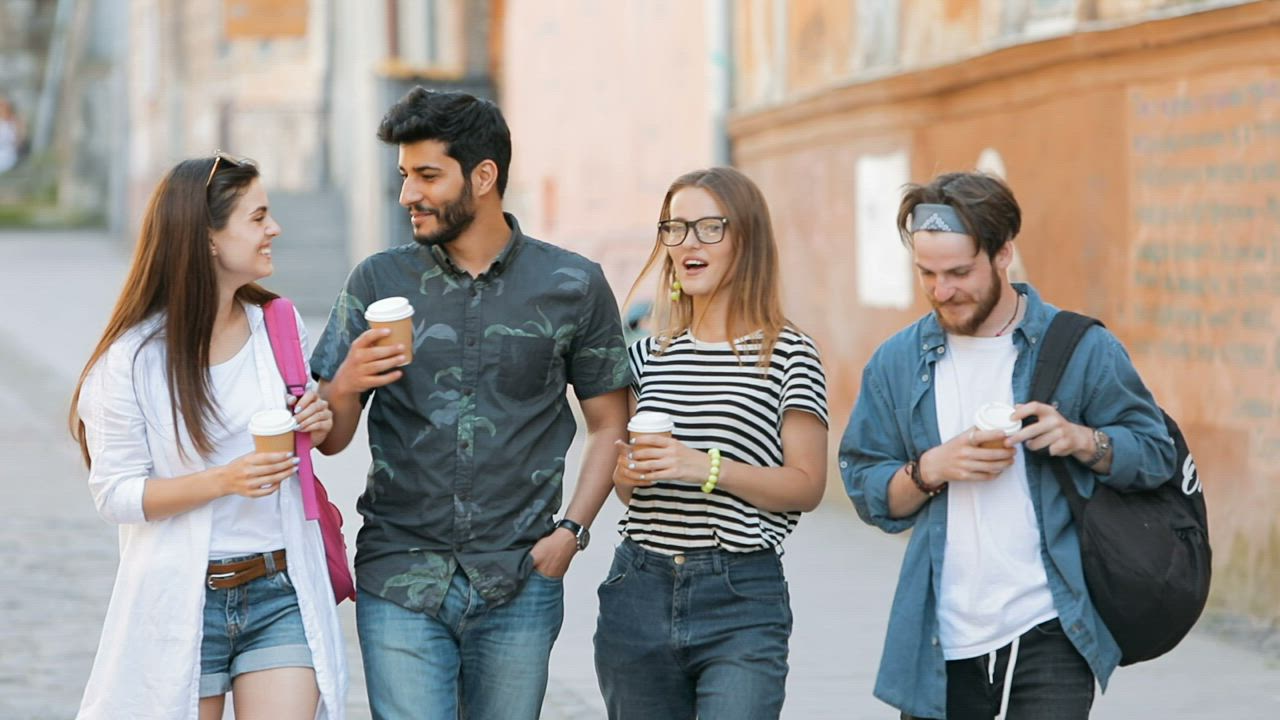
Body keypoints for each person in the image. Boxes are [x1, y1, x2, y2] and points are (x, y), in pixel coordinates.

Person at [310, 87, 631, 720]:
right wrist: (344, 384)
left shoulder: (572, 284)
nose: (407, 195)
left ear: (483, 176)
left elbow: (608, 423)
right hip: (399, 574)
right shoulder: (378, 281)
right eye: (404, 176)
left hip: (520, 576)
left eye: (428, 175)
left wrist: (571, 533)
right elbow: (330, 437)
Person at [839, 171, 1175, 720]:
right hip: (939, 636)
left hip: (1051, 624)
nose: (942, 290)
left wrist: (1081, 440)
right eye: (927, 273)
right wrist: (931, 468)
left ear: (1003, 255)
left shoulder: (1082, 348)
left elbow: (1155, 454)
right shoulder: (897, 363)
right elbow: (868, 490)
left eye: (958, 272)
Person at [70, 152, 347, 719]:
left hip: (280, 587)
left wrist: (316, 420)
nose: (275, 228)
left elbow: (307, 430)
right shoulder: (132, 361)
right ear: (209, 239)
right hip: (182, 595)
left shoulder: (280, 327)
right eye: (258, 217)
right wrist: (223, 480)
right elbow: (116, 494)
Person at [594, 166, 830, 719]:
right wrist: (627, 476)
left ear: (745, 240)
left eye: (708, 228)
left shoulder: (788, 352)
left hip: (741, 595)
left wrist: (706, 467)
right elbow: (633, 491)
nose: (687, 243)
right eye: (674, 228)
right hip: (639, 586)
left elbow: (807, 486)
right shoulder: (647, 355)